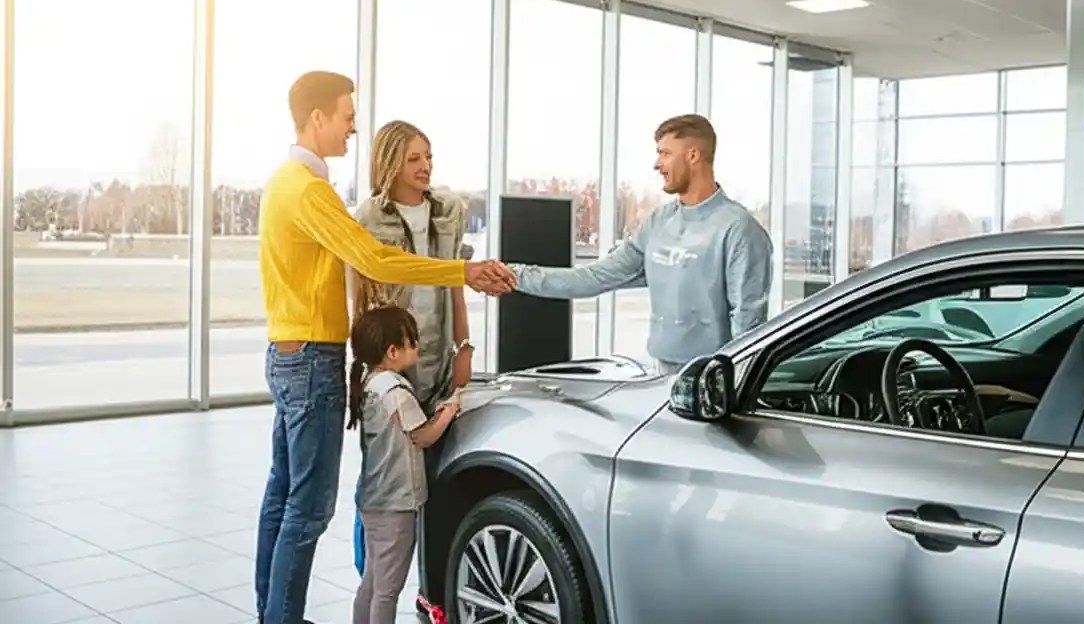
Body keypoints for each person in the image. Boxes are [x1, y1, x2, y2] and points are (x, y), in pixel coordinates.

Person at [254, 71, 512, 624]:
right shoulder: (309, 189)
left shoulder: (283, 182)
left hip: (288, 352)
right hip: (311, 360)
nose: (352, 126)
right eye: (346, 115)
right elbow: (373, 261)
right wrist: (462, 271)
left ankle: (271, 613)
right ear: (318, 116)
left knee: (283, 500)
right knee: (308, 508)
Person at [510, 114, 773, 374]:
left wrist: (729, 388)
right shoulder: (659, 221)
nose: (657, 164)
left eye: (665, 153)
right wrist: (513, 276)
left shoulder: (739, 229)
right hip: (660, 376)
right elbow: (592, 277)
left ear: (693, 156)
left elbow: (748, 326)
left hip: (712, 383)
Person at [348, 120, 474, 578]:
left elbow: (456, 280)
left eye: (429, 156)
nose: (425, 167)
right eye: (413, 158)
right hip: (391, 368)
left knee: (436, 479)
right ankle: (375, 575)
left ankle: (431, 585)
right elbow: (361, 297)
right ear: (390, 163)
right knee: (385, 481)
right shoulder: (367, 218)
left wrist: (464, 343)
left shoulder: (448, 210)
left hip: (437, 361)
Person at [348, 306, 458, 624]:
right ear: (392, 351)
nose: (417, 348)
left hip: (372, 500)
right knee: (387, 590)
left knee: (371, 582)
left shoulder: (370, 382)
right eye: (412, 343)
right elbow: (423, 437)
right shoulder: (396, 391)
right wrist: (449, 411)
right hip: (396, 505)